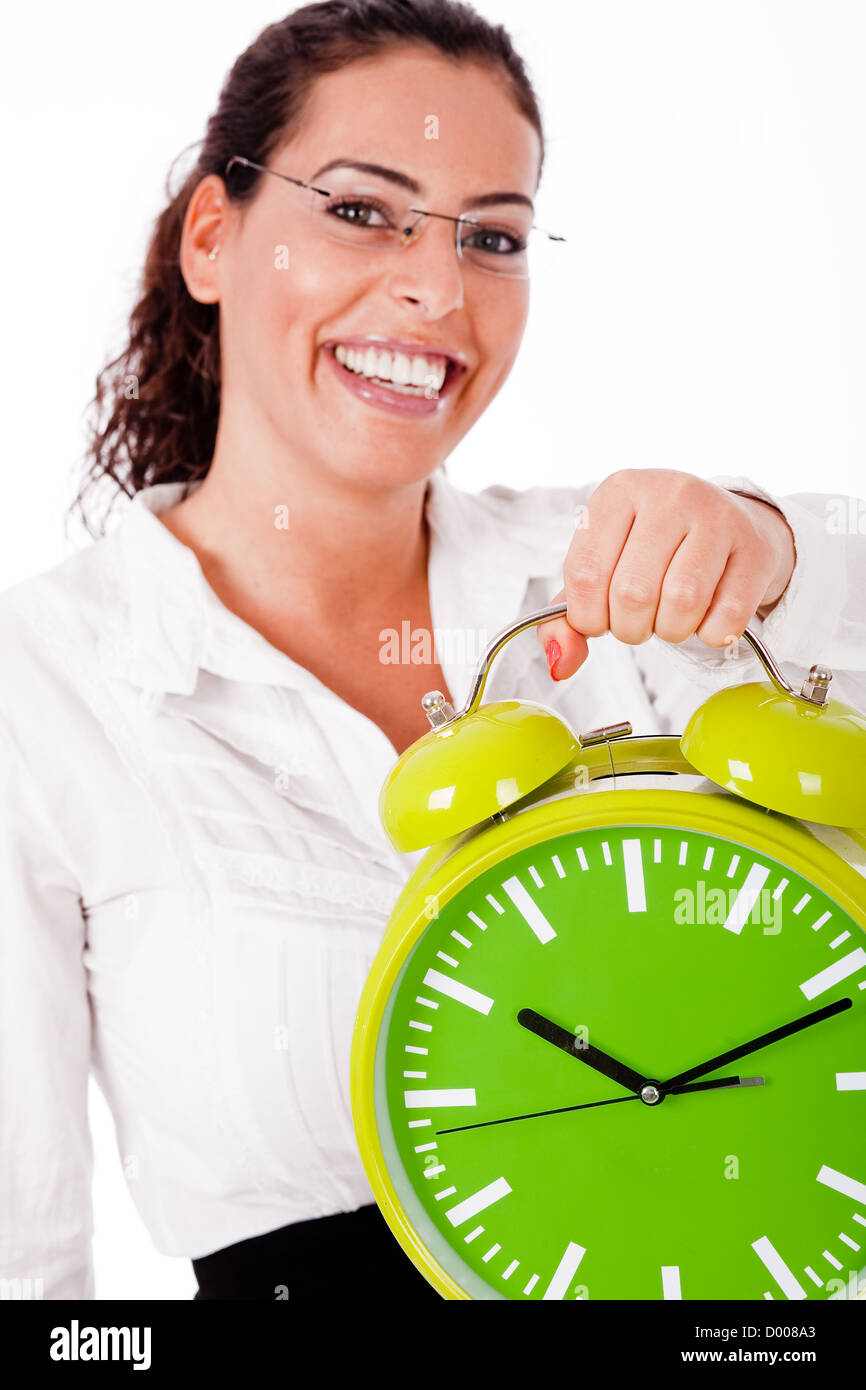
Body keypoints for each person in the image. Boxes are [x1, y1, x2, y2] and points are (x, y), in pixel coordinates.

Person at [1, 0, 864, 1302]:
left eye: (492, 237)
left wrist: (769, 545)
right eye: (361, 209)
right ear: (212, 237)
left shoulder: (618, 589)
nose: (436, 286)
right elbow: (24, 1252)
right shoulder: (50, 678)